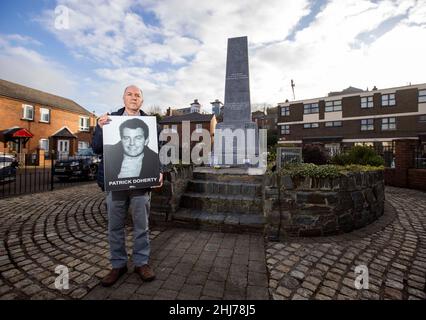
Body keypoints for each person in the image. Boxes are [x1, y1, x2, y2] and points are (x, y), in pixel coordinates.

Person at [92, 85, 164, 287]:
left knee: (142, 225)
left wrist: (160, 170)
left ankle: (141, 263)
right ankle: (118, 265)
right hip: (115, 185)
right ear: (123, 98)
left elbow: (161, 151)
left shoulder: (152, 125)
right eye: (129, 94)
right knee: (115, 226)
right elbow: (96, 148)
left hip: (142, 184)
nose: (133, 97)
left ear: (142, 100)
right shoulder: (109, 121)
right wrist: (99, 128)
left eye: (137, 95)